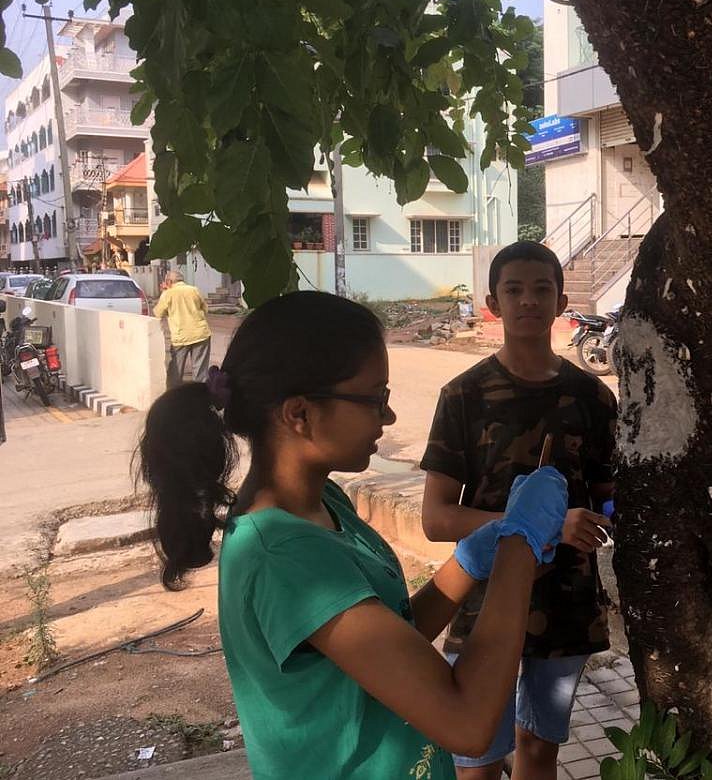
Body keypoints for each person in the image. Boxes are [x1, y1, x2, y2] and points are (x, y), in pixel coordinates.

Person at [135, 291, 568, 779]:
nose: (388, 417)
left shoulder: (321, 502)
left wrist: (466, 564)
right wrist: (519, 547)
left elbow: (389, 643)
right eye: (375, 398)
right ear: (299, 414)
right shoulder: (282, 555)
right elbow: (468, 722)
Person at [422, 241, 618, 780]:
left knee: (538, 748)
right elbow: (437, 519)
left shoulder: (594, 398)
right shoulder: (463, 395)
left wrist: (606, 516)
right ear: (493, 301)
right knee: (477, 756)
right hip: (481, 600)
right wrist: (550, 523)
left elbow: (608, 495)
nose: (528, 300)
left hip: (566, 602)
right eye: (514, 289)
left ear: (560, 302)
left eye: (541, 289)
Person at [154, 270, 212, 387]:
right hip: (201, 334)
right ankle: (199, 397)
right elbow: (205, 309)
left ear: (169, 281)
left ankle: (173, 398)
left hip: (180, 337)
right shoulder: (194, 290)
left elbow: (158, 313)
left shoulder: (168, 294)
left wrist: (164, 292)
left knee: (175, 372)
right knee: (200, 373)